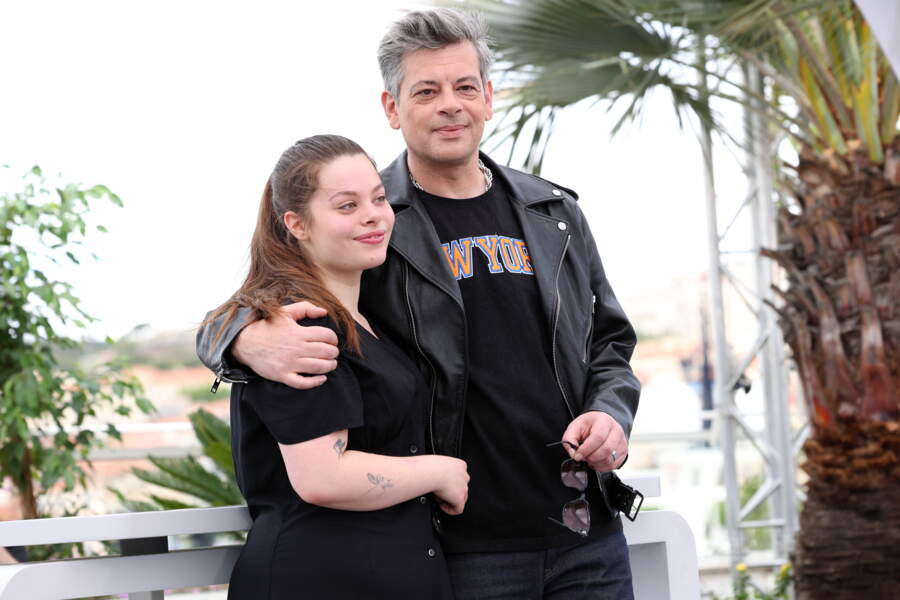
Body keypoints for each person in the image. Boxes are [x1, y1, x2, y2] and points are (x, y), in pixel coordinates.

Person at [198, 9, 641, 599]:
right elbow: (265, 295)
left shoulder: (555, 214)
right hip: (459, 542)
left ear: (488, 97)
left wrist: (612, 412)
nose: (449, 104)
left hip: (586, 533)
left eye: (464, 87)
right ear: (392, 108)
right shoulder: (373, 222)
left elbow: (609, 343)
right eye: (426, 91)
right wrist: (243, 338)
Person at [210, 134, 465, 600]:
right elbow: (322, 477)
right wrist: (441, 472)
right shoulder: (296, 327)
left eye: (379, 198)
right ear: (298, 224)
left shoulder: (364, 317)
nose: (373, 215)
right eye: (346, 206)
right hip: (322, 578)